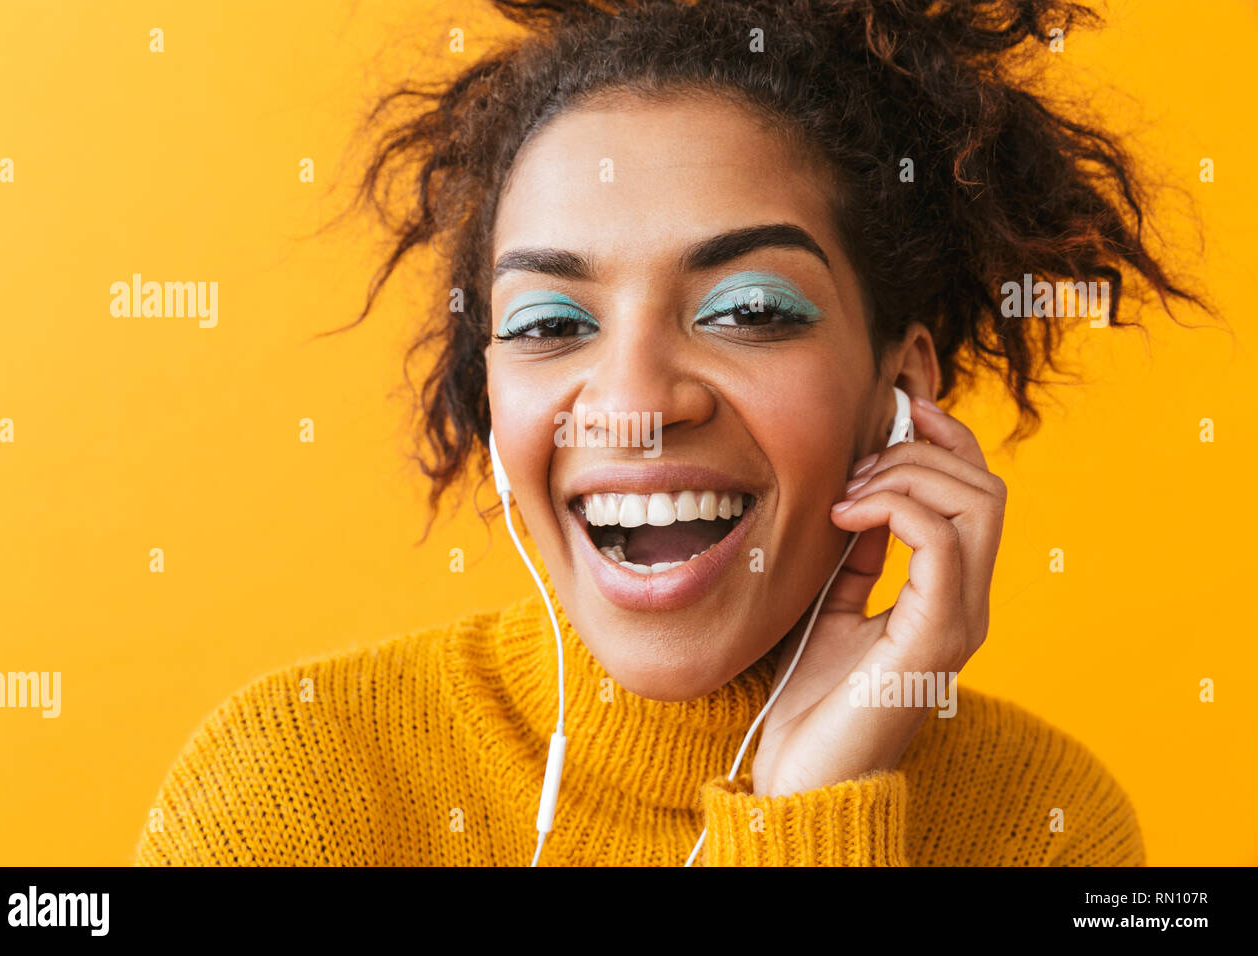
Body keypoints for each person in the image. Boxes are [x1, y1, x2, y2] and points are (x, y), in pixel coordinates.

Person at [136, 0, 1207, 866]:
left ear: (900, 391)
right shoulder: (293, 784)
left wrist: (812, 817)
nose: (637, 403)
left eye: (746, 310)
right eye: (551, 323)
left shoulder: (1046, 825)